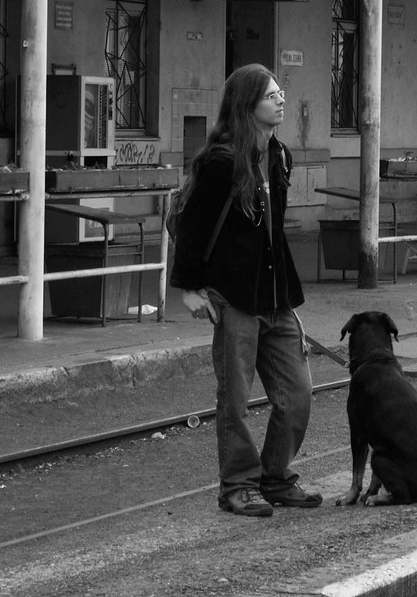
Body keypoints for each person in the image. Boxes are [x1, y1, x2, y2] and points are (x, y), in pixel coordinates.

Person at [170, 64, 322, 517]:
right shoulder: (220, 162)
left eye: (281, 93)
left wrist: (288, 301)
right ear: (247, 105)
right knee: (234, 399)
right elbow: (194, 227)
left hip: (276, 296)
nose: (280, 101)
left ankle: (275, 477)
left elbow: (272, 233)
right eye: (271, 95)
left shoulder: (279, 156)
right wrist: (190, 288)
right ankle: (237, 485)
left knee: (297, 394)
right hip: (235, 296)